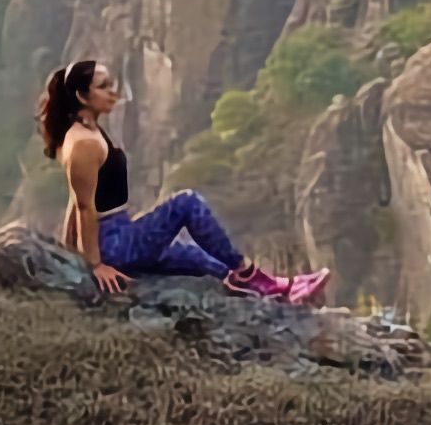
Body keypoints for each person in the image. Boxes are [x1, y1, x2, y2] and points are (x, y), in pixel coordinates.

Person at [36, 58, 329, 304]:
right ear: (81, 96)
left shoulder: (85, 130)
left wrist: (67, 252)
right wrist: (95, 265)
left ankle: (278, 292)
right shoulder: (83, 144)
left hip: (120, 232)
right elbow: (84, 207)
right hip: (115, 245)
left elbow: (77, 201)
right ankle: (249, 273)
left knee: (196, 258)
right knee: (187, 203)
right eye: (103, 87)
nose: (113, 93)